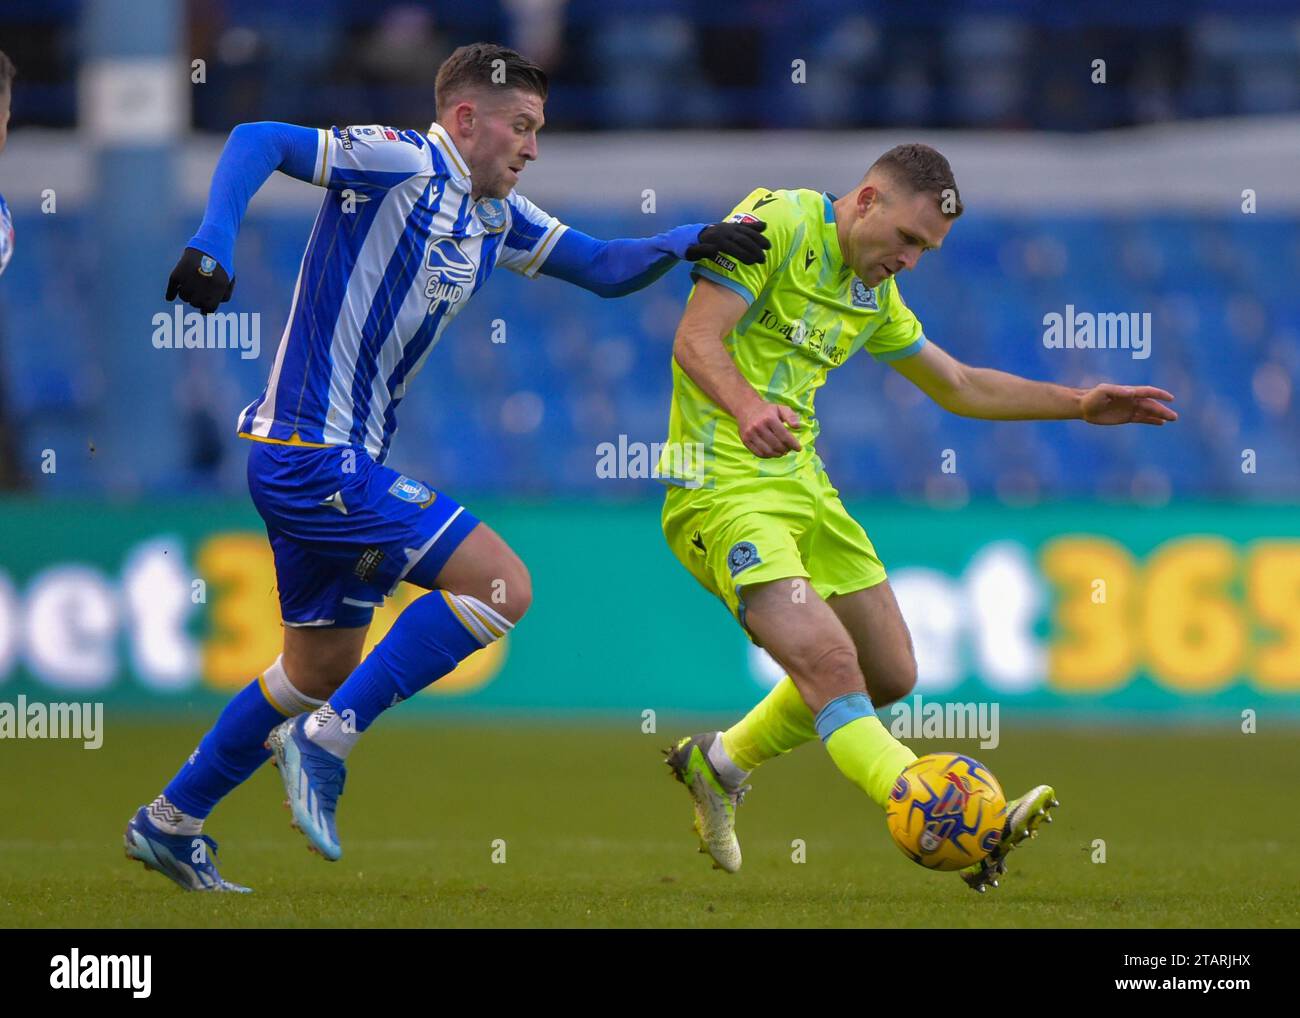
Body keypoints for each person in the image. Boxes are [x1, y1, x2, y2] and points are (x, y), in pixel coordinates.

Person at [124, 42, 770, 892]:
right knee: (502, 586)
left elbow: (602, 267)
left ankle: (171, 822)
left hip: (331, 461)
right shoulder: (399, 160)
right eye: (523, 128)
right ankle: (328, 741)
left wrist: (687, 240)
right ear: (466, 119)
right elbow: (256, 138)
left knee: (316, 669)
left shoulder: (497, 214)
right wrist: (214, 240)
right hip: (310, 453)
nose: (533, 147)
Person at [660, 144, 1176, 891]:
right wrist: (745, 410)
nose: (909, 260)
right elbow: (694, 339)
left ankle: (719, 764)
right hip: (720, 487)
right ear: (867, 200)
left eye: (926, 251)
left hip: (803, 488)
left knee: (889, 672)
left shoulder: (873, 296)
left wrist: (1081, 403)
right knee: (831, 665)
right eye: (906, 240)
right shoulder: (779, 223)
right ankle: (937, 808)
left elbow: (960, 384)